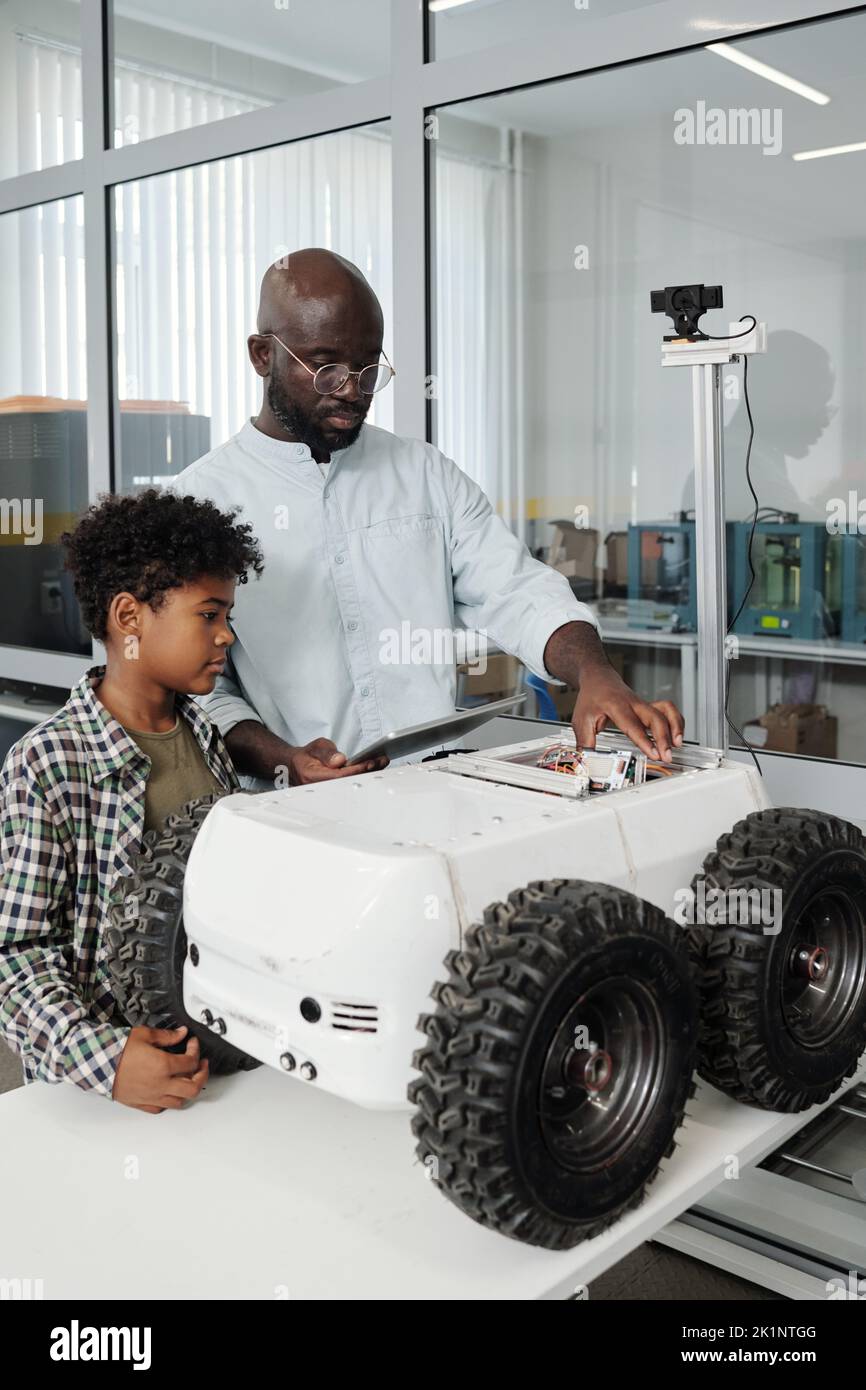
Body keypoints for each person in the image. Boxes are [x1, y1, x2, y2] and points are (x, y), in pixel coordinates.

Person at [175, 248, 684, 788]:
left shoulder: (424, 474)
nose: (352, 390)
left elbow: (515, 590)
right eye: (325, 368)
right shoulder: (199, 503)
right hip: (289, 811)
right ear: (261, 355)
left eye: (370, 367)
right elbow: (200, 691)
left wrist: (594, 672)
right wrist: (285, 759)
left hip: (434, 791)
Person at [0, 489, 263, 1112]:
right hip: (99, 1089)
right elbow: (15, 959)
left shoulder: (203, 734)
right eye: (208, 615)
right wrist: (109, 1059)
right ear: (129, 618)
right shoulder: (49, 763)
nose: (226, 635)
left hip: (212, 1063)